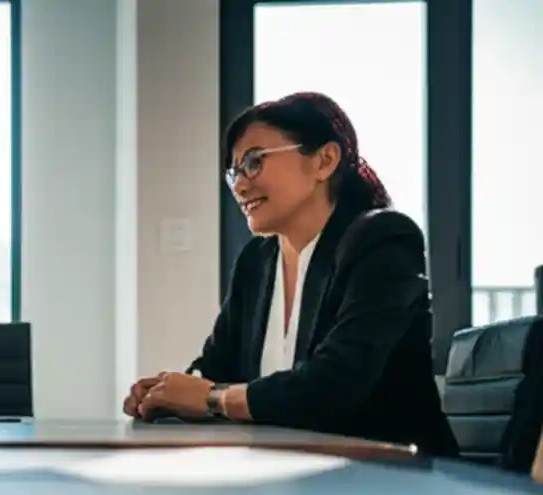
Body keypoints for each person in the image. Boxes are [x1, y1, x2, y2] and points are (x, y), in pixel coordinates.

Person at [122, 91, 456, 456]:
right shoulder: (257, 261)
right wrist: (167, 395)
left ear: (324, 161)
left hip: (395, 484)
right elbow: (217, 367)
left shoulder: (383, 241)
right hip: (290, 478)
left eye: (254, 162)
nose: (239, 185)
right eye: (234, 171)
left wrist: (210, 398)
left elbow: (334, 386)